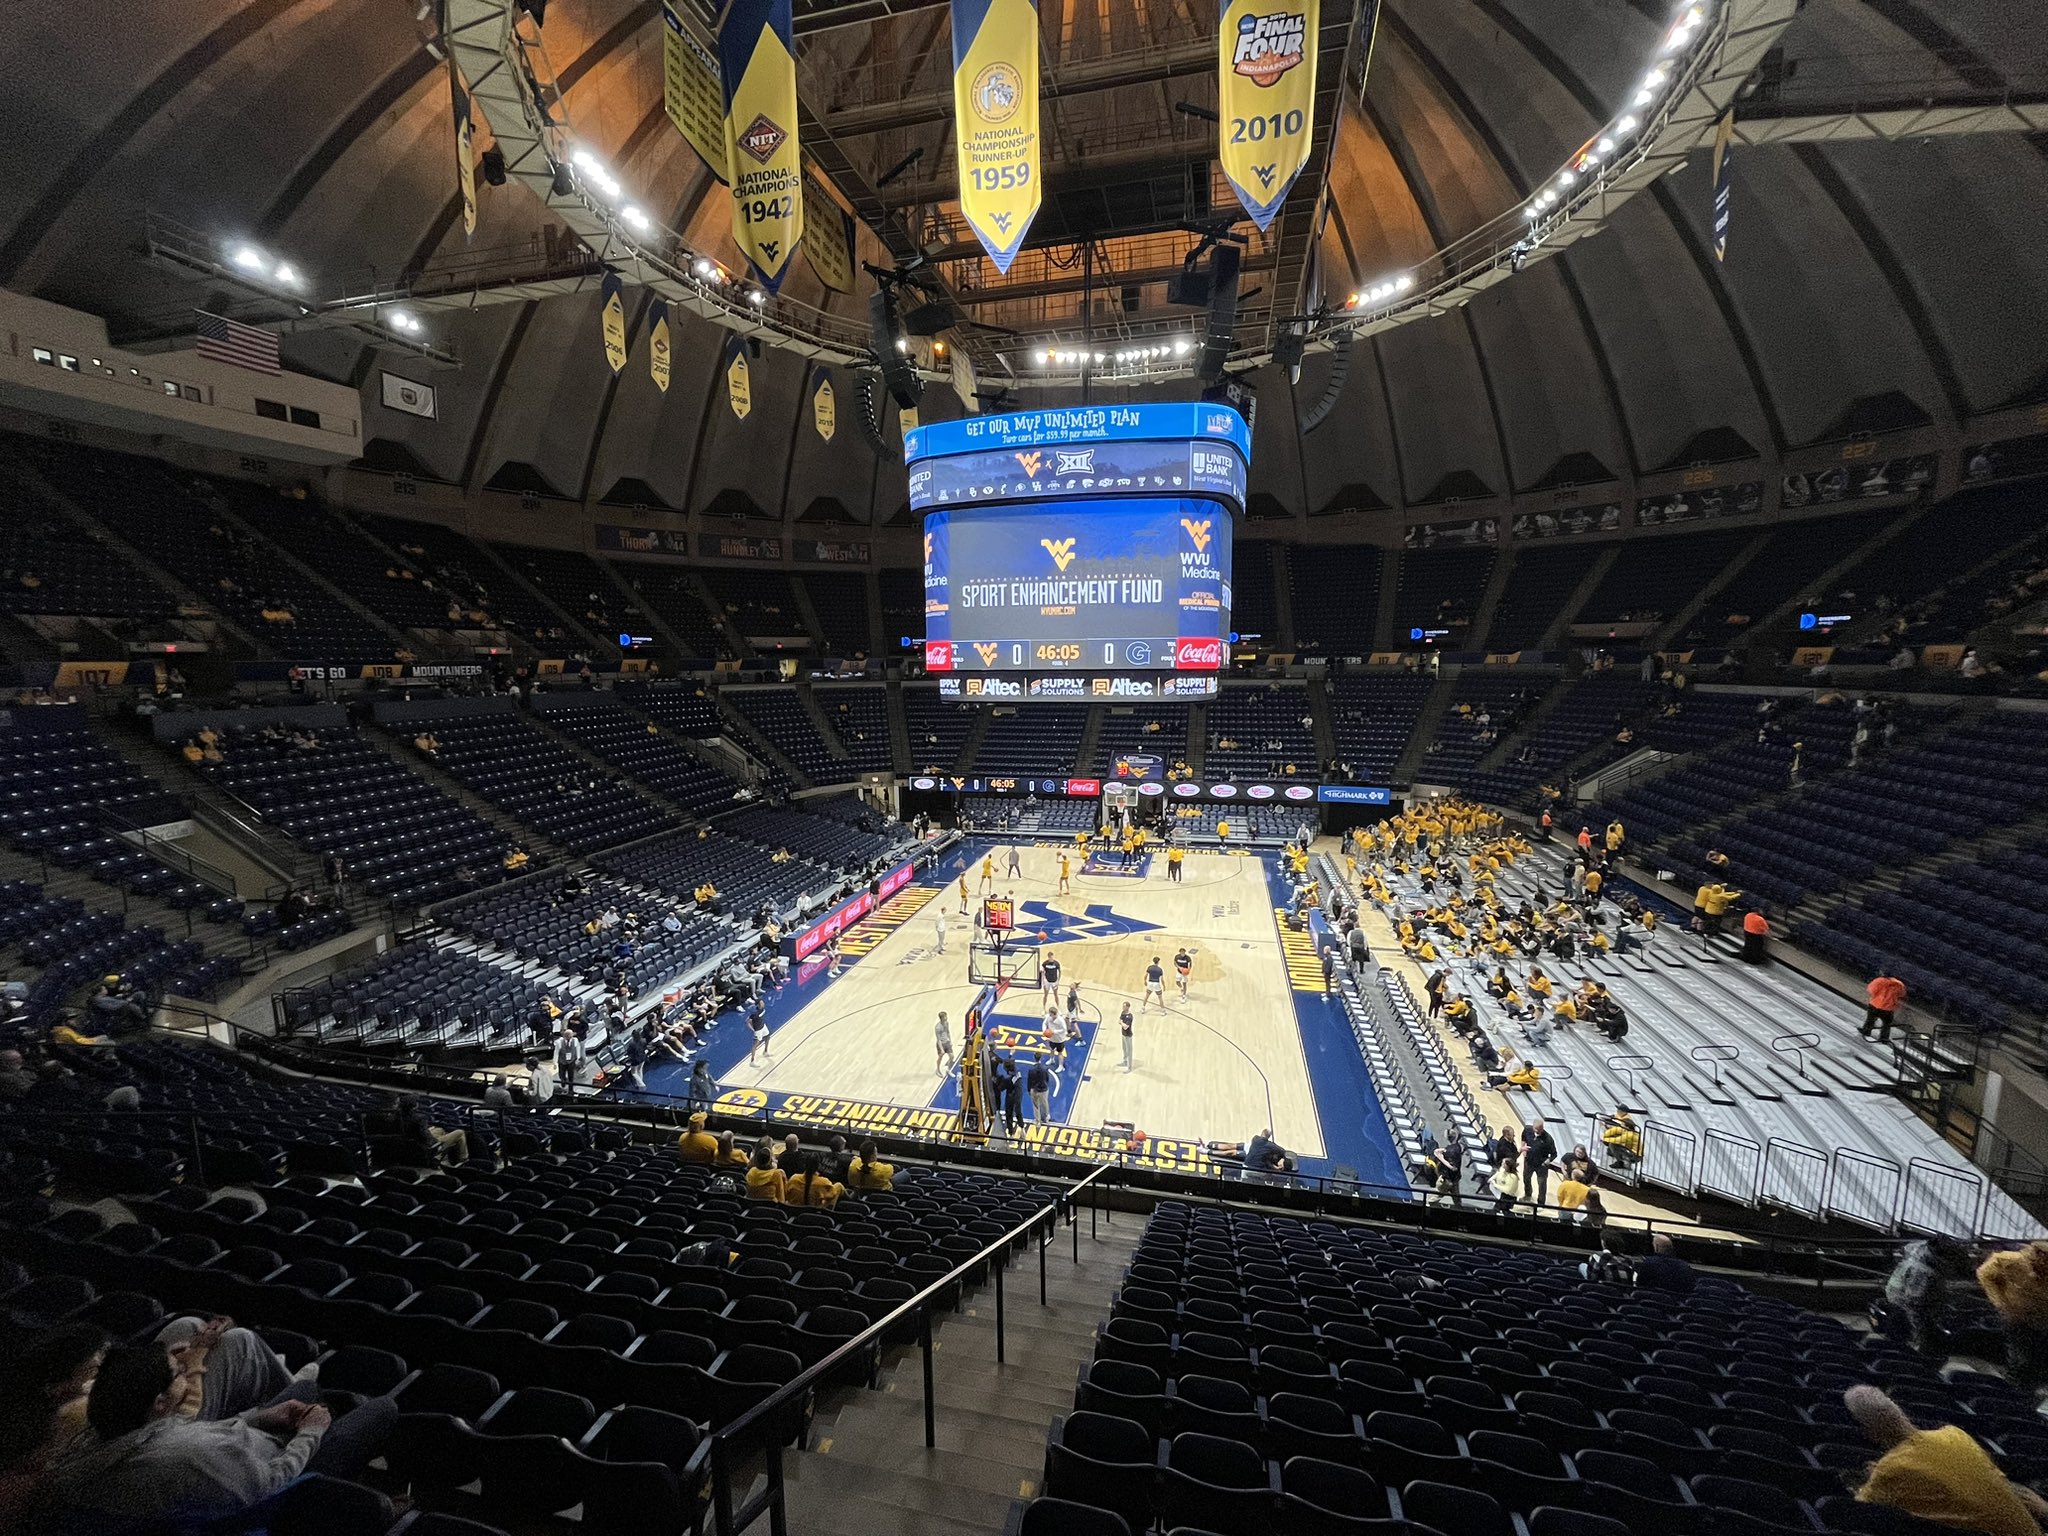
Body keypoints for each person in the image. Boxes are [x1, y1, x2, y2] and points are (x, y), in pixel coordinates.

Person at [29, 1343, 397, 1536]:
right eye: (178, 1374)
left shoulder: (98, 1437)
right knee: (383, 1408)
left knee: (305, 1389)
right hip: (288, 1476)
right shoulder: (192, 1456)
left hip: (238, 1448)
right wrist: (311, 1432)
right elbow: (272, 1481)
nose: (185, 1375)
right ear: (160, 1402)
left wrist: (257, 1418)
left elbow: (186, 1436)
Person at [1843, 1384, 2048, 1536]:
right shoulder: (1954, 1435)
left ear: (1868, 1433)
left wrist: (1877, 1476)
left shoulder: (1889, 1471)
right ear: (1898, 1410)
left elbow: (1860, 1508)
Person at [1883, 1237, 1975, 1354]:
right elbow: (1914, 1304)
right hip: (1903, 1298)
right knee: (1910, 1325)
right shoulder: (1922, 1273)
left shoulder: (1922, 1249)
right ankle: (1912, 1351)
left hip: (1907, 1290)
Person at [1977, 1244, 2048, 1390]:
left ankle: (2030, 1386)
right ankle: (2016, 1387)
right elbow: (1985, 1274)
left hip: (2041, 1319)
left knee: (2038, 1356)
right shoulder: (2009, 1260)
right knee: (2021, 1355)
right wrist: (2000, 1302)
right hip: (2017, 1318)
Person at [1521, 1119, 1558, 1207]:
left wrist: (1548, 1161)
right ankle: (1527, 1195)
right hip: (1529, 1162)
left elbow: (1554, 1154)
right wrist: (1523, 1148)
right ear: (1533, 1127)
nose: (1537, 1131)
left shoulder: (1548, 1139)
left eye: (1540, 1129)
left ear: (1543, 1127)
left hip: (1541, 1165)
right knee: (1526, 1179)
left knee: (1542, 1184)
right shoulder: (1527, 1130)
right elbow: (1523, 1138)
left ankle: (1541, 1203)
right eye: (1536, 1129)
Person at [1862, 973, 1907, 1043]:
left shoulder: (1879, 981)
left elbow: (1871, 990)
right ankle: (1884, 1038)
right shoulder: (1899, 985)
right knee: (1886, 1024)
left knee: (1870, 1019)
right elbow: (1902, 994)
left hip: (1876, 1004)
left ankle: (1866, 1031)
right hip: (1888, 1008)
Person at [1026, 1054, 1052, 1124]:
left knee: (1036, 1105)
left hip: (1034, 1090)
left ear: (1034, 1058)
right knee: (1045, 1103)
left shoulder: (1031, 1070)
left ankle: (1037, 1121)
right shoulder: (1044, 1068)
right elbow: (1047, 1079)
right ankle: (1046, 1118)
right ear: (1041, 1058)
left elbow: (1029, 1081)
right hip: (1043, 1089)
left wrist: (1029, 1090)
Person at [934, 1011, 955, 1076]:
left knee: (952, 1056)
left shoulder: (946, 1023)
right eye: (945, 1017)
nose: (946, 1018)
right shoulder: (937, 1027)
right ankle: (937, 1069)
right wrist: (941, 1049)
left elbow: (948, 1032)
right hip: (941, 1044)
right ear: (942, 1018)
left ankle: (948, 1069)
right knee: (940, 1057)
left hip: (947, 1042)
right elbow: (938, 1040)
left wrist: (950, 1041)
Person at [1118, 1002, 1135, 1072]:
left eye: (1124, 1006)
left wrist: (1121, 1023)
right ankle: (1125, 1061)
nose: (1123, 1008)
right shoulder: (1123, 1013)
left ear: (1128, 1007)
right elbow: (1119, 1020)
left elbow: (1125, 1027)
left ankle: (1129, 1067)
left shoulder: (1130, 1017)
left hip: (1128, 1036)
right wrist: (1122, 1023)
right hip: (1123, 1034)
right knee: (1124, 1049)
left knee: (1129, 1051)